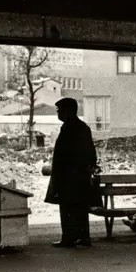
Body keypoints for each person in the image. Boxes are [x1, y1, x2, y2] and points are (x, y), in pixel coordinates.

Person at [44, 97, 99, 248]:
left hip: (67, 177)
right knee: (81, 208)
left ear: (67, 111)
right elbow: (90, 152)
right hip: (81, 176)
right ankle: (83, 237)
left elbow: (64, 155)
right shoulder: (83, 127)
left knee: (67, 208)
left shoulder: (68, 128)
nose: (58, 114)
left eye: (59, 111)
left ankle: (68, 238)